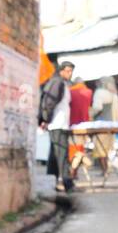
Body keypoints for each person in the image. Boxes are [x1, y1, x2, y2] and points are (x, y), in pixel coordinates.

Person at [39, 58, 76, 192]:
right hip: (57, 124)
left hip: (60, 124)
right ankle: (67, 183)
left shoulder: (62, 83)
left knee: (55, 155)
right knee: (62, 154)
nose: (70, 74)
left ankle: (53, 182)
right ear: (61, 71)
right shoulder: (57, 83)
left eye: (71, 71)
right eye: (67, 71)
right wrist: (46, 119)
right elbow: (49, 102)